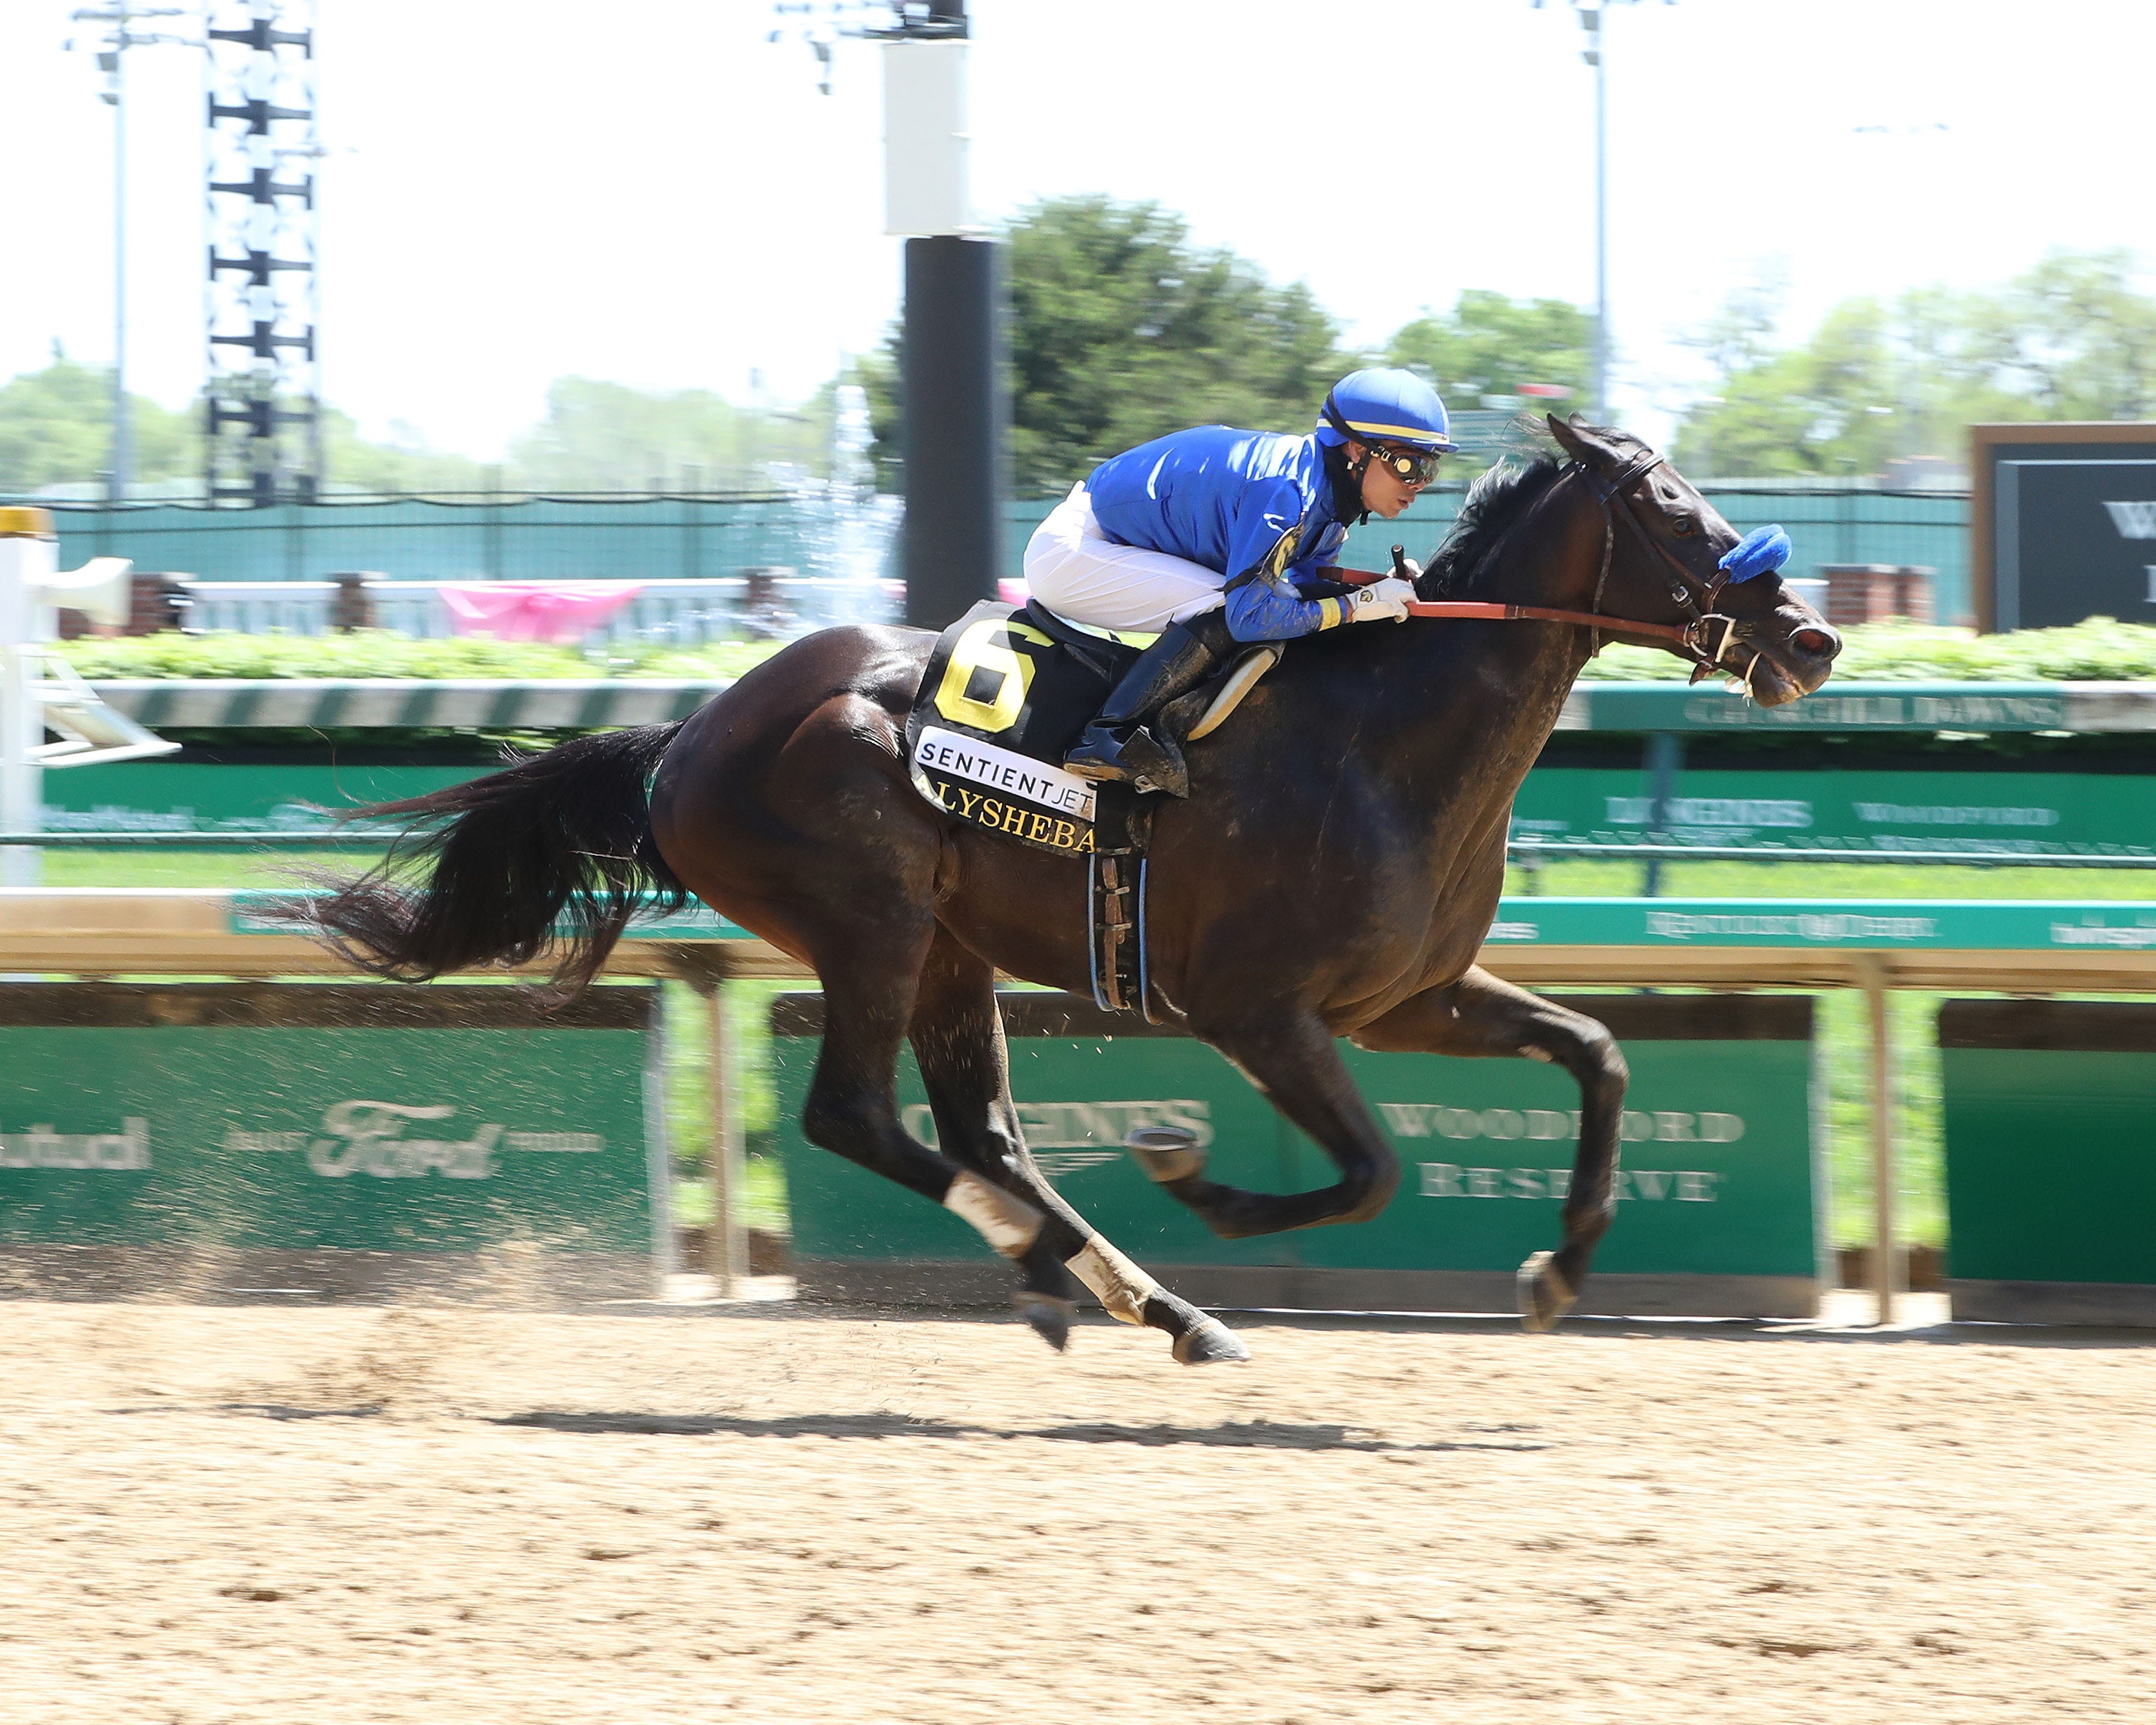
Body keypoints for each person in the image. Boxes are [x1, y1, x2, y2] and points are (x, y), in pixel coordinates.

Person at [1023, 367, 1462, 797]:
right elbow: (1249, 617)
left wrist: (1377, 593)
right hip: (1076, 550)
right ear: (1355, 451)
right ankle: (1105, 736)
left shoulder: (1328, 501)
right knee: (1228, 606)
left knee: (1280, 600)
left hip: (1109, 538)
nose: (1419, 484)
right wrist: (1360, 604)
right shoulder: (1290, 494)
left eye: (1430, 470)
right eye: (1409, 464)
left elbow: (1310, 585)